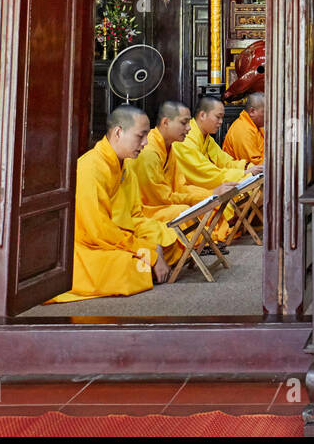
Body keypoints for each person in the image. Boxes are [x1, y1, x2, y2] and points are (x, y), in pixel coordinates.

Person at [49, 106, 181, 303]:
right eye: (140, 136)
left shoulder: (127, 166)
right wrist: (148, 252)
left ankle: (150, 264)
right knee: (125, 267)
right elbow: (98, 231)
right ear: (119, 132)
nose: (145, 143)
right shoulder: (90, 168)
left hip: (121, 237)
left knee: (170, 237)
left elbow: (135, 215)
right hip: (89, 245)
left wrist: (153, 244)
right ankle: (149, 266)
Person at [133, 100, 233, 224]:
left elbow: (180, 187)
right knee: (184, 211)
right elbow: (160, 199)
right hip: (146, 209)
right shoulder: (149, 152)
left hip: (167, 202)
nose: (189, 127)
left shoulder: (170, 148)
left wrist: (209, 195)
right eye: (184, 123)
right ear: (166, 122)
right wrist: (207, 195)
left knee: (208, 207)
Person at [174, 96, 262, 191]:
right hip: (188, 193)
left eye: (222, 118)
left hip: (206, 187)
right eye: (218, 117)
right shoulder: (185, 139)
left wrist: (248, 167)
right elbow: (205, 174)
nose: (221, 122)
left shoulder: (206, 139)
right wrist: (244, 174)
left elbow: (225, 162)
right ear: (202, 115)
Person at [223, 92, 265, 166]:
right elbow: (254, 165)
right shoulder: (243, 130)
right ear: (252, 111)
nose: (269, 116)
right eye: (265, 112)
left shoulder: (256, 126)